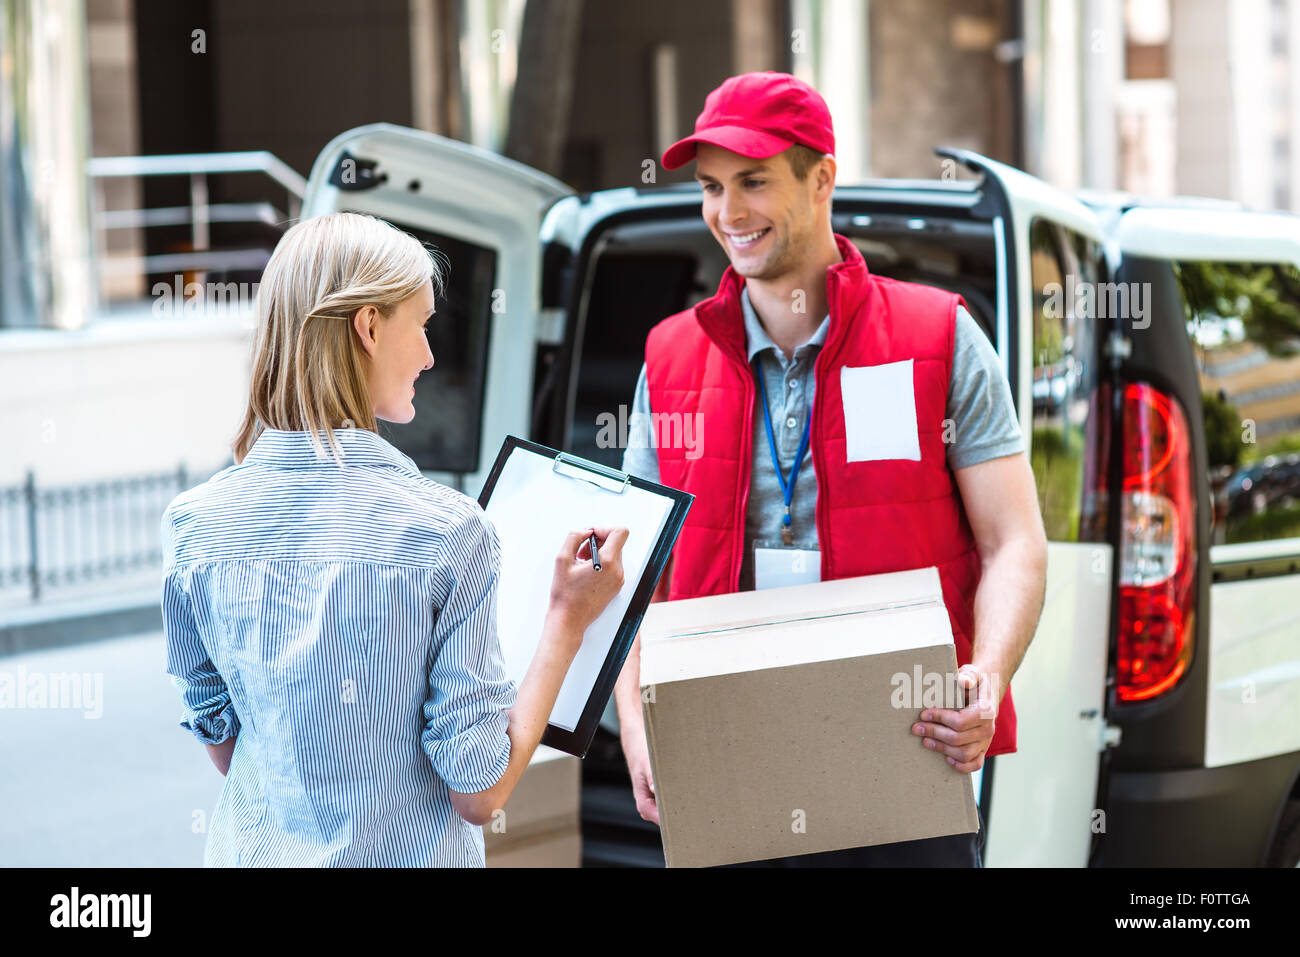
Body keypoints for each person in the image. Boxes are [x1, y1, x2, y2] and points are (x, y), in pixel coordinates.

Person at [613, 72, 1048, 866]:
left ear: (822, 179)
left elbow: (1014, 540)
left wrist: (987, 672)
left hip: (903, 754)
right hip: (725, 754)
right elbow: (633, 572)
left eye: (753, 181)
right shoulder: (668, 358)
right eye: (712, 187)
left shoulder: (939, 336)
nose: (728, 212)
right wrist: (636, 726)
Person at [162, 211, 627, 867]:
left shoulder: (192, 525)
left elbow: (221, 733)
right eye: (424, 324)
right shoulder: (447, 530)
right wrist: (566, 619)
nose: (432, 355)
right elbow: (480, 790)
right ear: (370, 326)